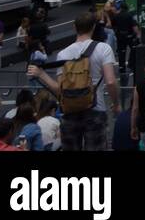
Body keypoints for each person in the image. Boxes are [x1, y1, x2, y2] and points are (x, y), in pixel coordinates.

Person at [26, 12, 120, 152]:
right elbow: (111, 82)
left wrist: (41, 74)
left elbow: (59, 90)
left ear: (74, 27)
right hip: (95, 108)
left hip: (70, 110)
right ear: (93, 27)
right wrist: (116, 103)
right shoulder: (103, 49)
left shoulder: (63, 54)